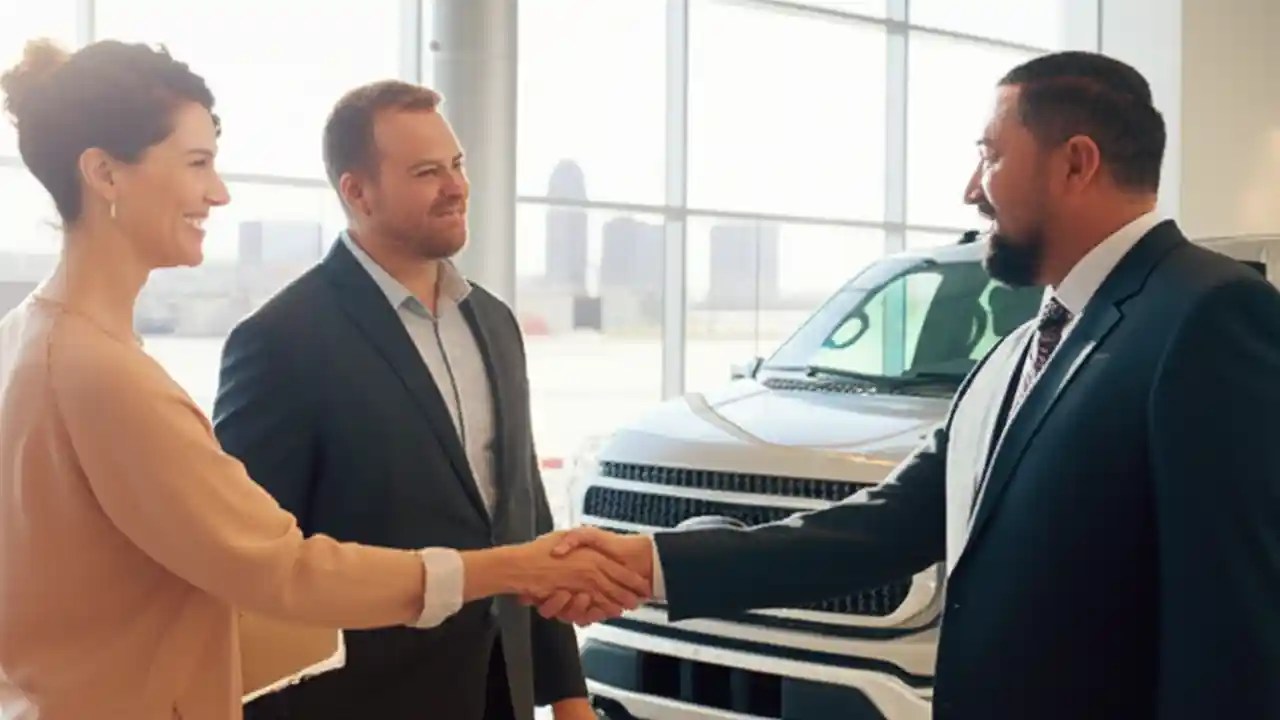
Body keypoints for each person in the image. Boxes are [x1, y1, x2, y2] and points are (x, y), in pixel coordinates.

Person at [543, 51, 1280, 719]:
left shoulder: (1210, 314)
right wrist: (645, 562)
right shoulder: (1021, 346)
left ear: (1076, 163)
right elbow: (885, 528)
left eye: (990, 156)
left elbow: (1235, 617)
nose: (970, 190)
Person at [0, 40, 643, 720]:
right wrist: (512, 568)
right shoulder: (107, 373)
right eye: (197, 163)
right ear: (104, 173)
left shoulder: (33, 340)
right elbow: (282, 572)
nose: (217, 192)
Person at [211, 80, 596, 720]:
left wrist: (568, 693)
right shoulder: (279, 341)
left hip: (501, 689)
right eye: (426, 172)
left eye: (457, 165)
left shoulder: (496, 322)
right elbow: (250, 565)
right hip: (359, 701)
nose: (456, 186)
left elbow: (523, 515)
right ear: (356, 191)